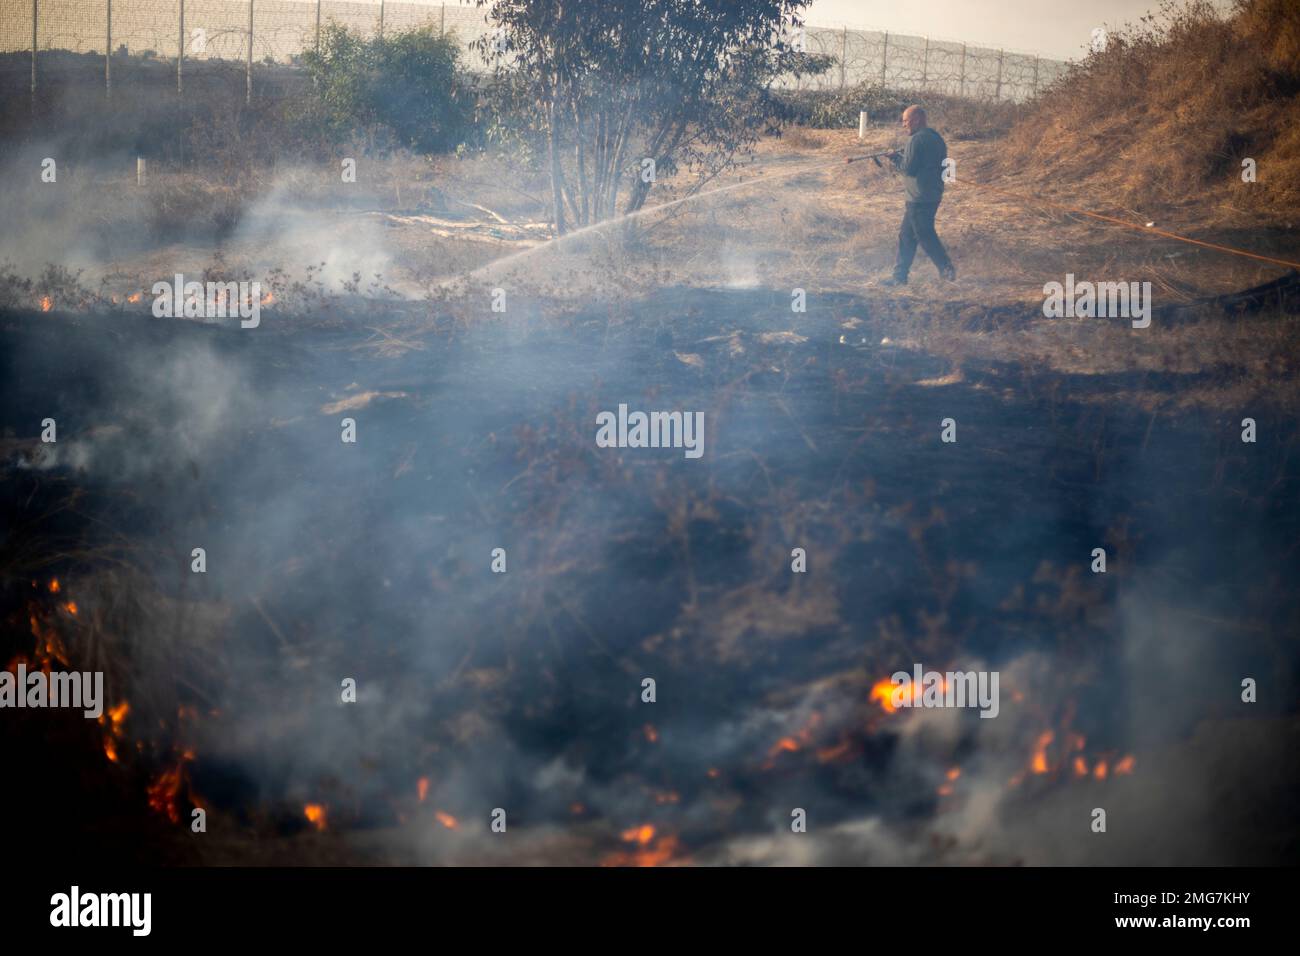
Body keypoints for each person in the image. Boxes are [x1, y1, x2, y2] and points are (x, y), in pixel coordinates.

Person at [880, 105, 955, 286]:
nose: (904, 124)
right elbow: (940, 164)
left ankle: (948, 272)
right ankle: (899, 277)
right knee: (906, 236)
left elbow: (908, 169)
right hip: (932, 194)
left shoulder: (915, 140)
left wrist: (895, 158)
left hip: (919, 198)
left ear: (917, 120)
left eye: (906, 121)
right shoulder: (935, 137)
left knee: (925, 235)